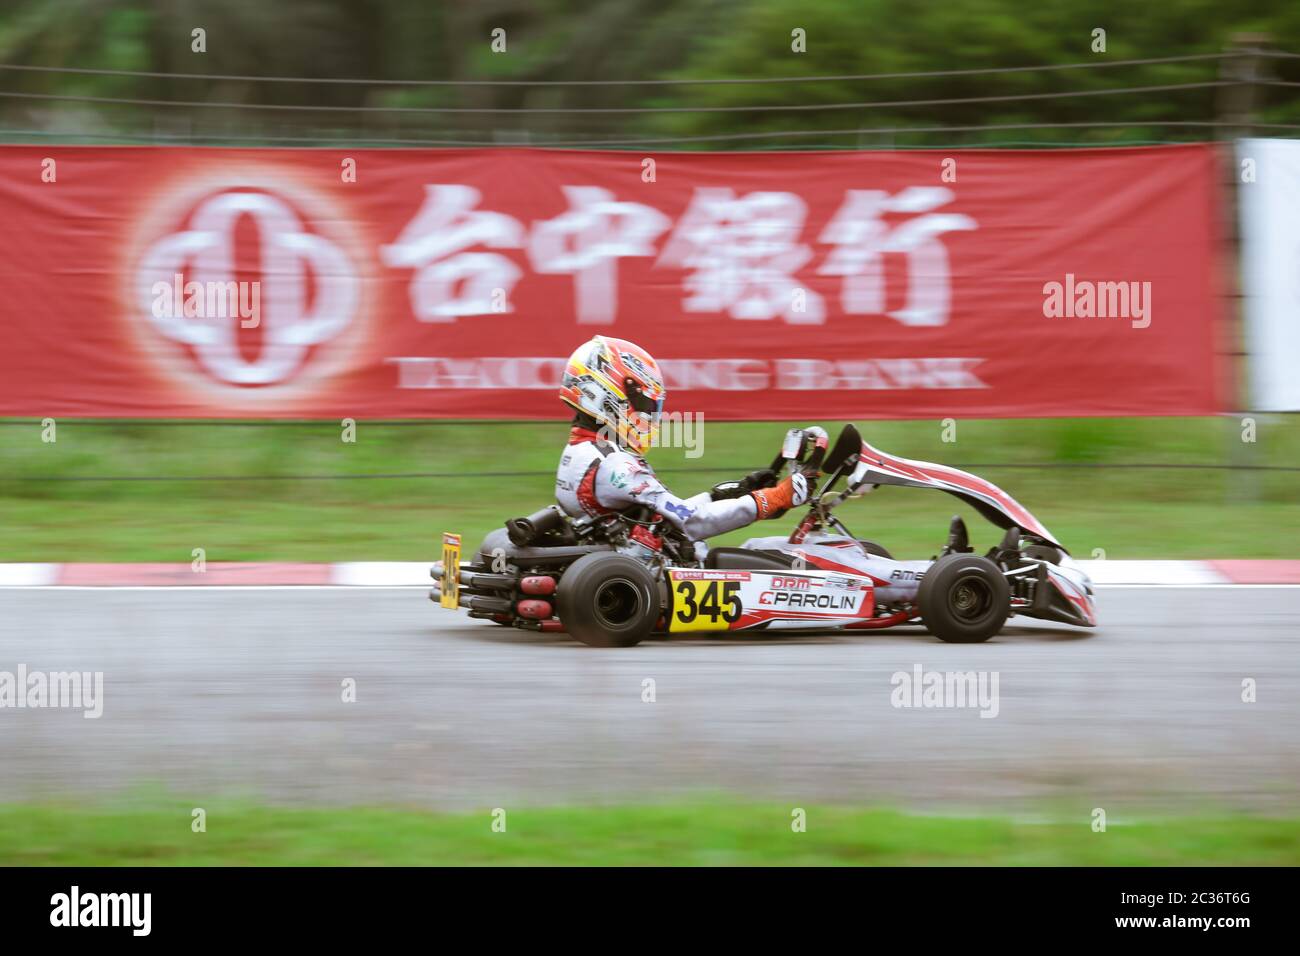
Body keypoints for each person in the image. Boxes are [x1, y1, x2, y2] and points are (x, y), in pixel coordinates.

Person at [555, 335, 810, 541]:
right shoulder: (615, 466)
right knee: (775, 552)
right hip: (660, 573)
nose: (650, 415)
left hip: (642, 563)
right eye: (646, 404)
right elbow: (692, 522)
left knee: (761, 547)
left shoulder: (584, 453)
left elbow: (668, 514)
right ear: (609, 397)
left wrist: (725, 495)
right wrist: (775, 498)